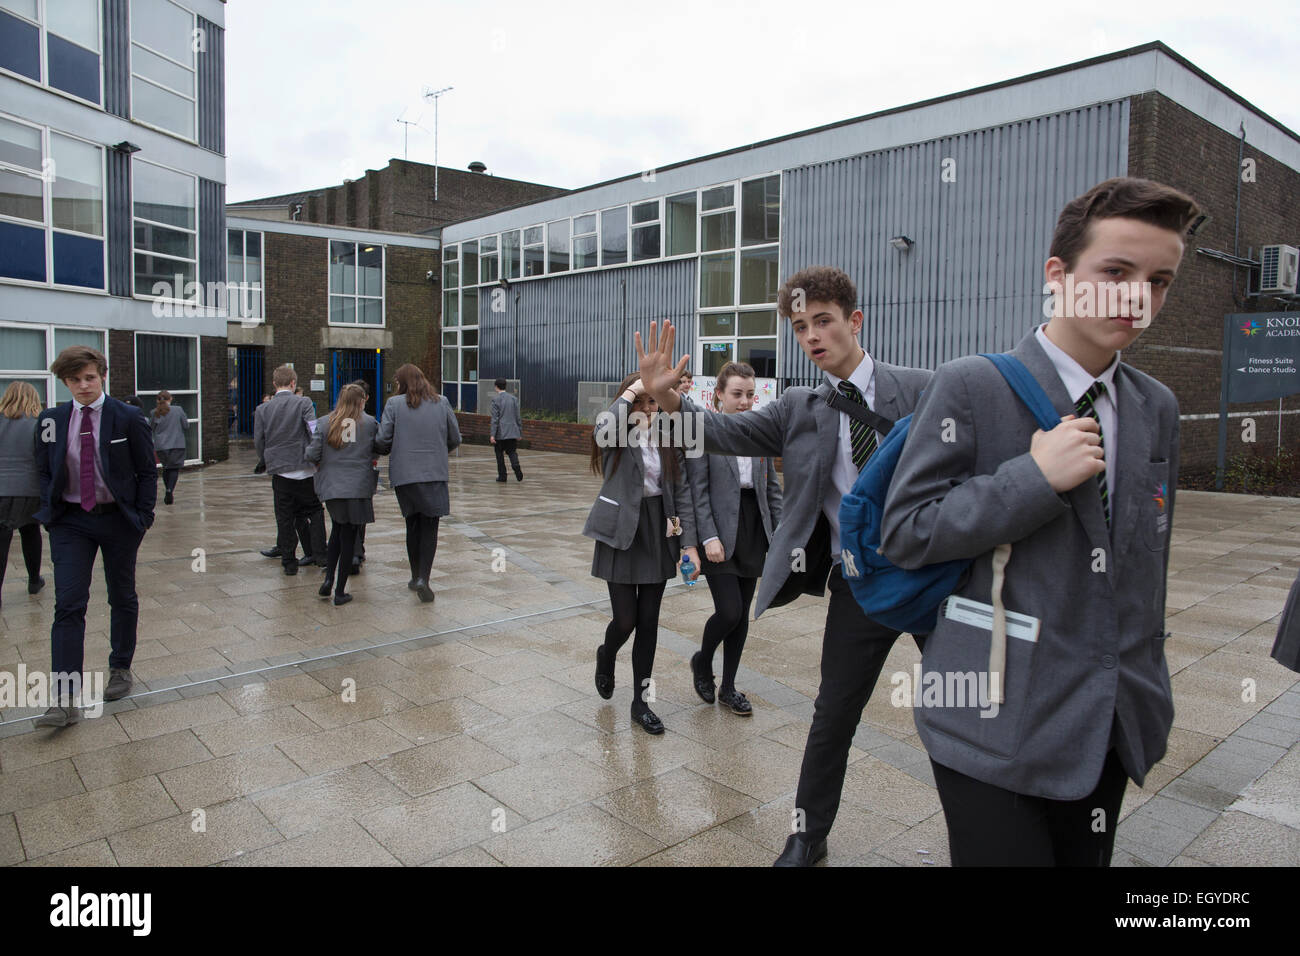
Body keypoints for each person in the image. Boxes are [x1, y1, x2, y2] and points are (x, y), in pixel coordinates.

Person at [880, 177, 1201, 866]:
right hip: (991, 718)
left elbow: (1148, 561)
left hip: (1107, 723)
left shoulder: (1156, 407)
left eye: (1159, 280)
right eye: (1116, 272)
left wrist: (1147, 687)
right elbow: (906, 531)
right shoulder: (972, 385)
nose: (1138, 298)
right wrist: (1030, 481)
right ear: (1058, 276)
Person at [636, 264, 931, 864]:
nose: (812, 337)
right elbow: (719, 430)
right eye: (800, 328)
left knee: (967, 708)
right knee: (833, 713)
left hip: (934, 578)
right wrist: (667, 396)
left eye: (823, 322)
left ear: (855, 320)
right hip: (859, 581)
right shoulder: (799, 407)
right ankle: (808, 834)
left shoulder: (923, 390)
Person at [32, 346, 156, 727]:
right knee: (68, 602)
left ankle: (120, 667)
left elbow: (148, 470)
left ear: (103, 374)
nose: (83, 386)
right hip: (71, 521)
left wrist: (143, 517)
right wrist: (50, 516)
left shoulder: (128, 417)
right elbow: (41, 469)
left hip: (118, 520)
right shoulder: (51, 420)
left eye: (89, 377)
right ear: (65, 382)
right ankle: (65, 697)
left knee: (122, 594)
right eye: (74, 380)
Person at [584, 372, 699, 736]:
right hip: (621, 528)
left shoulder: (670, 436)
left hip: (656, 529)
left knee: (648, 622)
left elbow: (682, 493)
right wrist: (633, 389)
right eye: (641, 401)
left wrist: (688, 543)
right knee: (626, 620)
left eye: (653, 401)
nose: (648, 408)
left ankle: (641, 702)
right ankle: (607, 653)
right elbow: (600, 433)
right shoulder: (616, 434)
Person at [685, 362, 782, 715]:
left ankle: (728, 687)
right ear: (718, 396)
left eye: (750, 395)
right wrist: (707, 536)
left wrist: (781, 533)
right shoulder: (705, 434)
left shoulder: (760, 434)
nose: (744, 402)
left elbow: (771, 488)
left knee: (741, 618)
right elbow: (697, 492)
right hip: (720, 531)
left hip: (753, 528)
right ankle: (702, 660)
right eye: (737, 394)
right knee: (729, 611)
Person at [374, 364, 460, 603]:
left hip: (405, 476)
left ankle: (414, 577)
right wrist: (438, 452)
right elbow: (455, 438)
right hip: (434, 474)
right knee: (430, 527)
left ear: (402, 382)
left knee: (412, 525)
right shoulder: (441, 402)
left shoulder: (394, 404)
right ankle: (424, 577)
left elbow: (382, 440)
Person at [305, 384, 378, 606]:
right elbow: (377, 449)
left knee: (337, 530)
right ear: (360, 401)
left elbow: (311, 453)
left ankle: (328, 580)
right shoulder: (369, 423)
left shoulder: (326, 422)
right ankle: (340, 591)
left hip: (332, 487)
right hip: (357, 486)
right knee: (349, 536)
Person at [254, 365, 326, 576]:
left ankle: (289, 562)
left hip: (280, 470)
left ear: (275, 384)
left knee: (284, 516)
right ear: (293, 383)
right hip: (304, 468)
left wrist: (265, 459)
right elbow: (313, 430)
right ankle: (321, 555)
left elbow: (259, 440)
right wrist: (316, 456)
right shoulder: (303, 403)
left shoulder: (262, 409)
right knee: (315, 511)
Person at [0, 382, 46, 610]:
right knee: (31, 531)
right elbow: (46, 457)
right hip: (29, 489)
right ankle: (34, 580)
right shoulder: (41, 423)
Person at [347, 377, 377, 573]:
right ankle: (358, 550)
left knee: (349, 515)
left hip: (345, 472)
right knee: (362, 513)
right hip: (364, 472)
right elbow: (377, 447)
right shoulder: (370, 422)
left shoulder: (341, 420)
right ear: (365, 398)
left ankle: (354, 550)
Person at [150, 390, 189, 505]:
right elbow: (186, 425)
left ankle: (168, 490)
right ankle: (169, 490)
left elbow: (151, 427)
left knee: (166, 468)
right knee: (174, 468)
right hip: (177, 444)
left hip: (161, 446)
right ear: (170, 399)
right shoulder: (178, 410)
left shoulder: (154, 412)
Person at [489, 378, 524, 482]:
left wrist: (492, 435)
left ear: (496, 387)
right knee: (512, 452)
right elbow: (518, 417)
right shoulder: (513, 399)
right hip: (512, 431)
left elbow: (495, 419)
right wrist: (519, 432)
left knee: (499, 454)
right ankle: (516, 466)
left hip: (500, 433)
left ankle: (502, 476)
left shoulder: (496, 400)